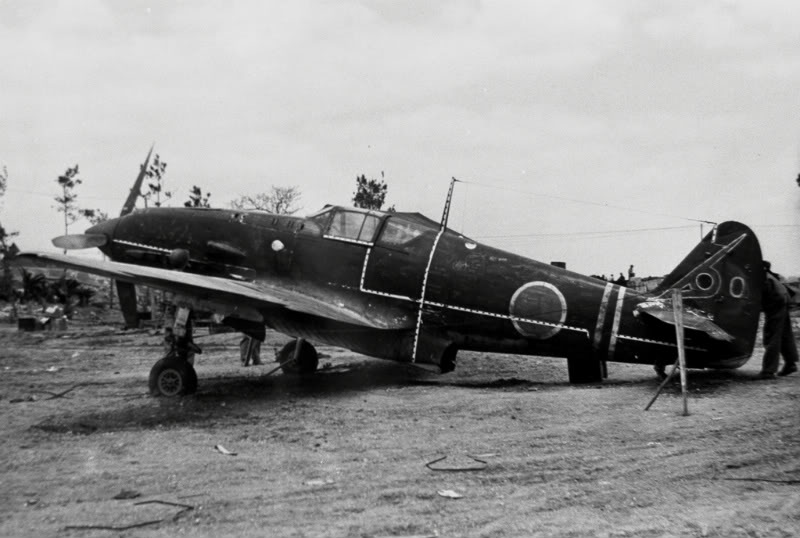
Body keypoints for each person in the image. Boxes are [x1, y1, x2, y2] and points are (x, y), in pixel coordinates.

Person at [759, 261, 798, 378]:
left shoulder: (763, 278)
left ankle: (768, 371)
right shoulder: (769, 276)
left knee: (772, 335)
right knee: (785, 334)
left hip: (776, 304)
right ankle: (790, 364)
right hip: (782, 302)